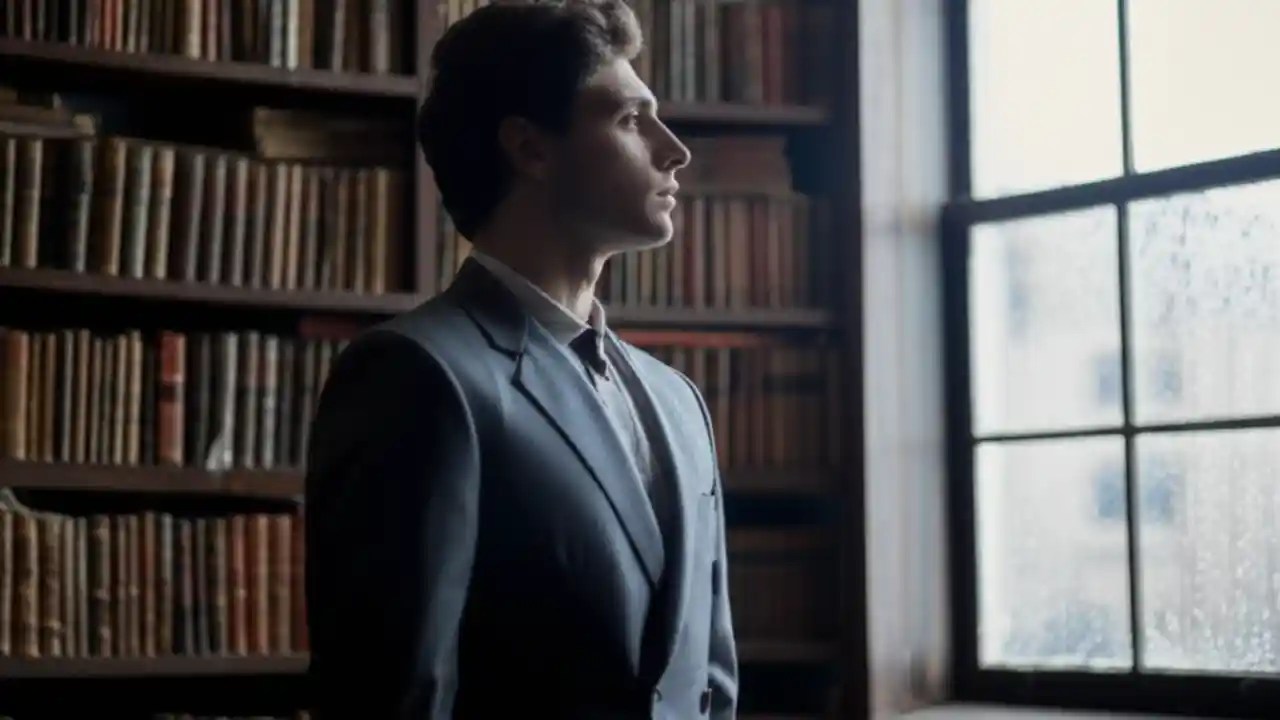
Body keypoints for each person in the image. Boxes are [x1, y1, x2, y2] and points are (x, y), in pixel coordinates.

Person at [302, 0, 738, 717]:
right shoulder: (416, 375)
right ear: (530, 148)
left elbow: (710, 682)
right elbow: (392, 695)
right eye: (631, 119)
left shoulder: (678, 401)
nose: (675, 150)